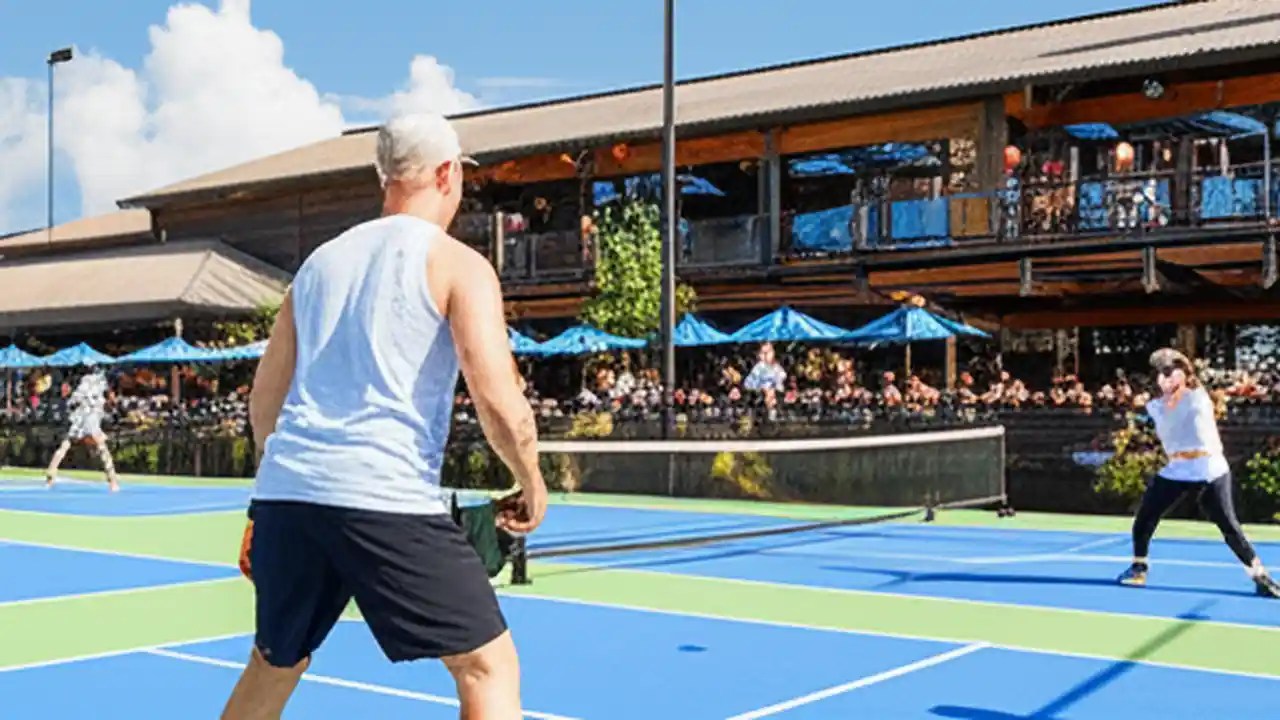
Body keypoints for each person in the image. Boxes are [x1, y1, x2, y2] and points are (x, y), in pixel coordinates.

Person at [222, 112, 548, 719]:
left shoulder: (317, 266)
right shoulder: (458, 264)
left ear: (384, 175)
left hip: (290, 492)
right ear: (448, 174)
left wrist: (270, 495)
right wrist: (531, 480)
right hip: (383, 493)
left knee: (274, 663)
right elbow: (498, 398)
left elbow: (264, 400)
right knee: (487, 665)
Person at [1118, 348, 1280, 598]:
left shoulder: (1197, 397)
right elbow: (1139, 410)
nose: (1166, 378)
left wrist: (1176, 360)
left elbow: (1186, 377)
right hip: (1177, 469)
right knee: (1144, 518)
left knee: (1229, 526)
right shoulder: (1156, 406)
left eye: (1170, 373)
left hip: (1210, 468)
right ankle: (1139, 566)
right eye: (1162, 374)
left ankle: (1260, 575)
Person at [45, 361, 119, 492]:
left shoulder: (94, 381)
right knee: (96, 445)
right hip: (86, 414)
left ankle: (51, 474)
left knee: (69, 443)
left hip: (87, 413)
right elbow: (74, 398)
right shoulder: (88, 381)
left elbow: (106, 398)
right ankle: (112, 480)